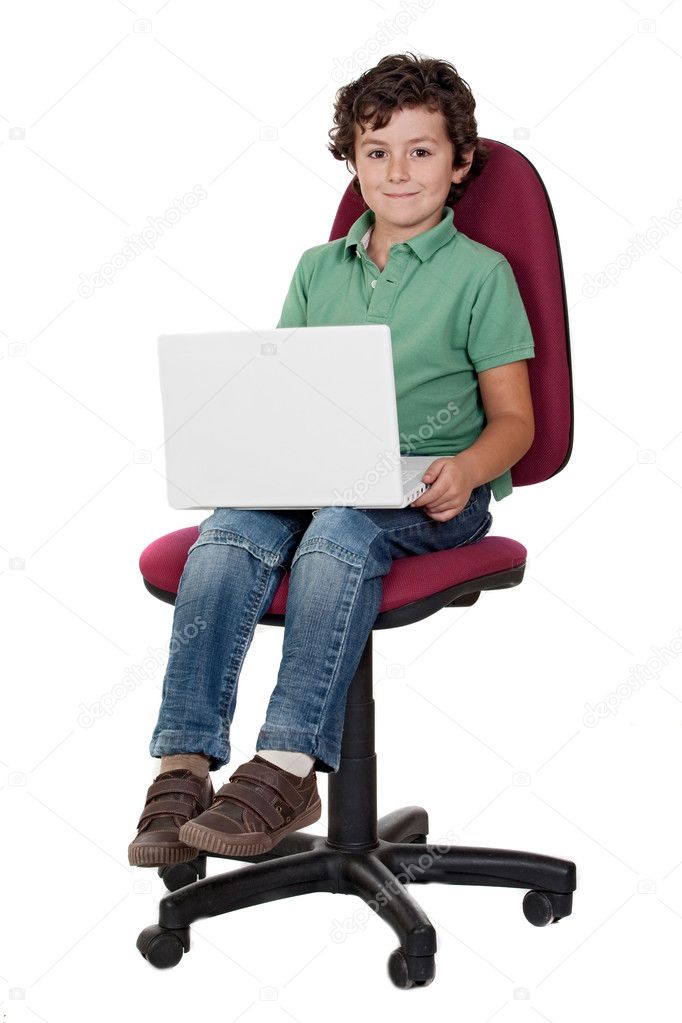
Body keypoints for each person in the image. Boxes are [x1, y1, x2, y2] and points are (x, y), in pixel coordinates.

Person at [128, 51, 535, 867]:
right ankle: (184, 762)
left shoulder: (482, 276)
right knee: (229, 530)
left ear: (460, 163)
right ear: (350, 160)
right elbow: (286, 391)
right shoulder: (319, 269)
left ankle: (285, 767)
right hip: (318, 473)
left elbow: (517, 422)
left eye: (421, 150)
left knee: (341, 532)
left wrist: (466, 465)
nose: (397, 170)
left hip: (429, 491)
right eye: (375, 150)